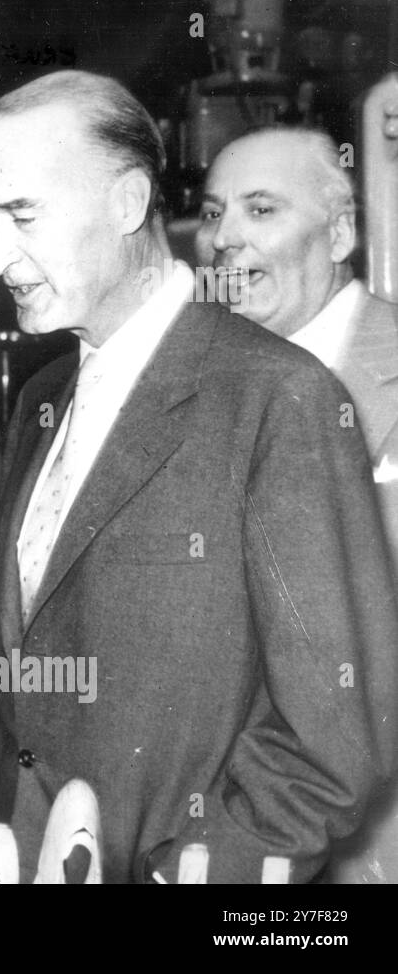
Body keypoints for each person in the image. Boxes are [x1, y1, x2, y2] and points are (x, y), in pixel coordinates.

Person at [0, 70, 398, 883]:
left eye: (22, 215)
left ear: (129, 204)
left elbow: (335, 737)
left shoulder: (282, 400)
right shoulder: (40, 401)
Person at [196, 126, 398, 883]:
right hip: (246, 840)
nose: (225, 238)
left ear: (340, 232)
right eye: (216, 213)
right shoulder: (213, 392)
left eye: (261, 210)